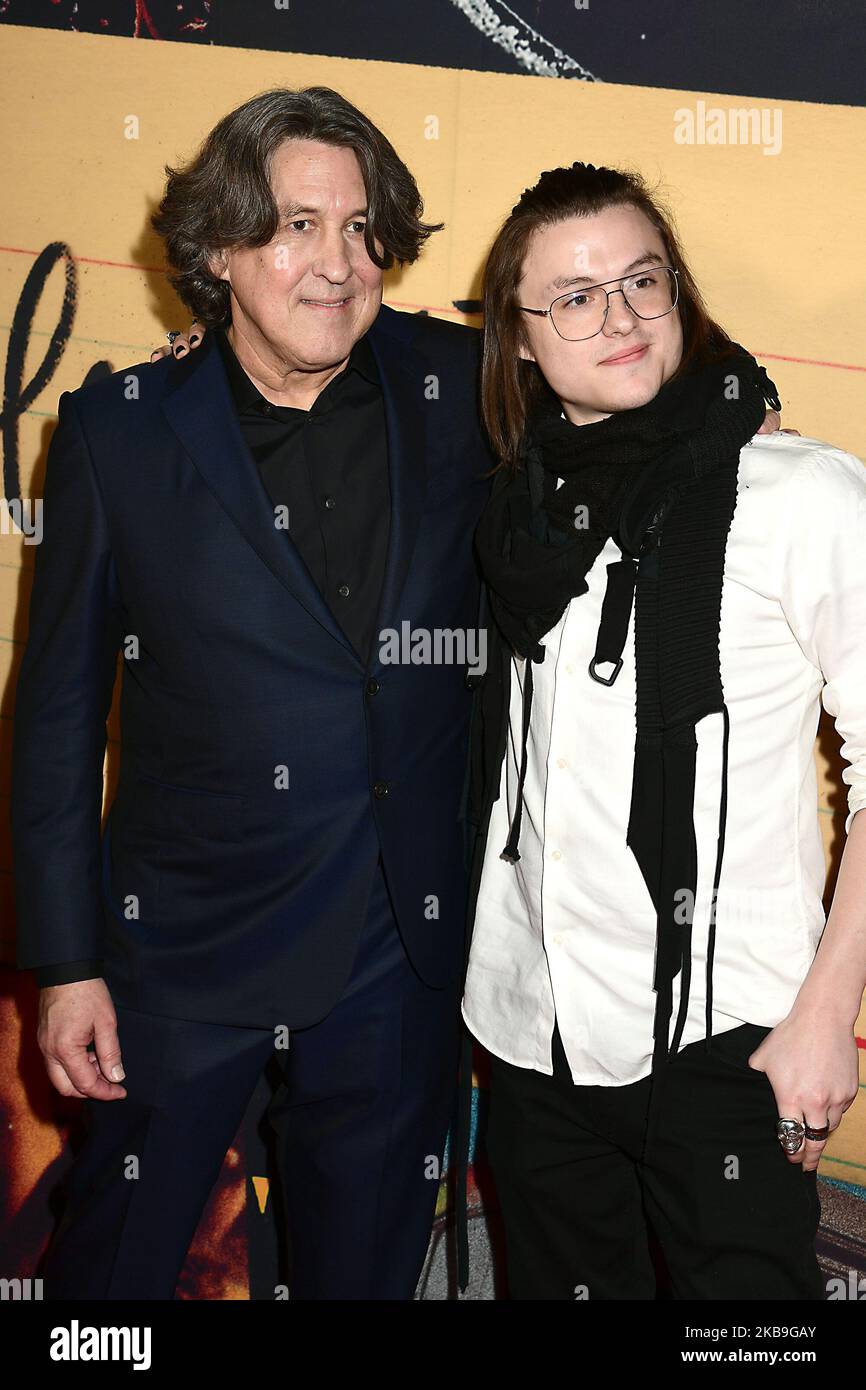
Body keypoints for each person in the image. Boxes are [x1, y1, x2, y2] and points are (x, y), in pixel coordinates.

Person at [12, 85, 494, 1300]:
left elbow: (628, 361)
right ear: (220, 251)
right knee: (108, 1276)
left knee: (359, 1271)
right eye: (294, 226)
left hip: (396, 950)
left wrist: (727, 388)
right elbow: (59, 717)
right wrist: (65, 966)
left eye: (359, 226)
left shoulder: (460, 384)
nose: (336, 263)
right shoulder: (118, 432)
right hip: (179, 956)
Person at [461, 160, 866, 1300]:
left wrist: (825, 1019)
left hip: (728, 1038)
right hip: (530, 1030)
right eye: (576, 297)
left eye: (643, 280)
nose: (622, 316)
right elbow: (349, 353)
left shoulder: (802, 496)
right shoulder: (514, 502)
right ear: (522, 339)